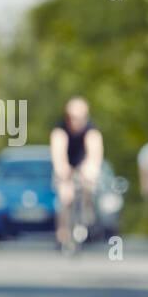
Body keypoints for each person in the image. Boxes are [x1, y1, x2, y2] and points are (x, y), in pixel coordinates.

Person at [49, 97, 103, 246]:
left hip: (83, 165)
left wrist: (89, 169)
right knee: (65, 195)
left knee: (89, 179)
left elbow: (95, 156)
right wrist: (62, 169)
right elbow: (58, 154)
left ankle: (87, 215)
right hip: (67, 166)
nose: (75, 121)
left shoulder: (92, 131)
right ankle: (63, 232)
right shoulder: (60, 131)